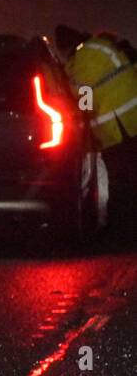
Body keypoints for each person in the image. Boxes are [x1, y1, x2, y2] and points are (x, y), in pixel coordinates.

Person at [55, 25, 137, 226]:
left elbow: (85, 103)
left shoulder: (76, 65)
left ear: (65, 48)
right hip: (134, 116)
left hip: (114, 127)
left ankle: (121, 227)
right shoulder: (103, 45)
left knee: (120, 178)